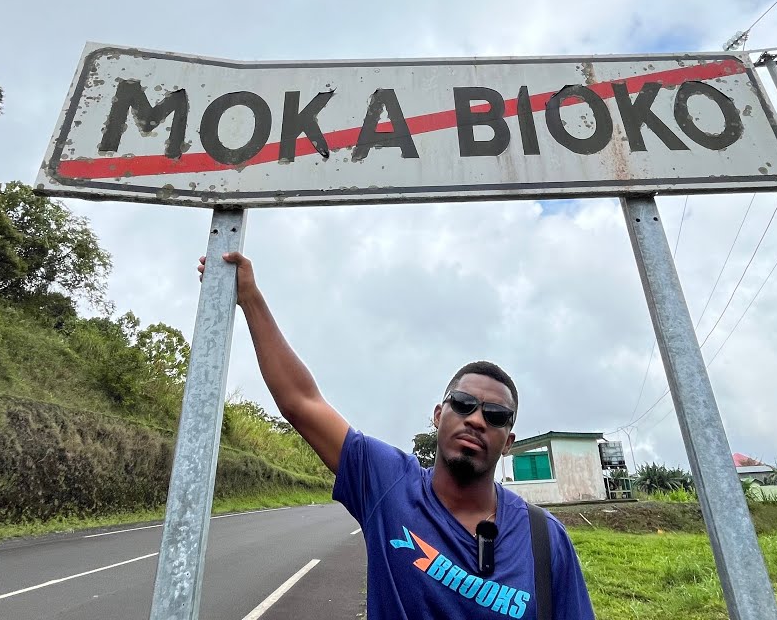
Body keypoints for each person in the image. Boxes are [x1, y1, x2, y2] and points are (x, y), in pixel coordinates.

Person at [198, 252, 595, 619]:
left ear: (508, 443)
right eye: (462, 403)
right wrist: (250, 298)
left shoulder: (545, 539)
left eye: (495, 415)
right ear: (438, 416)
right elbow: (302, 402)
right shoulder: (389, 483)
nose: (476, 419)